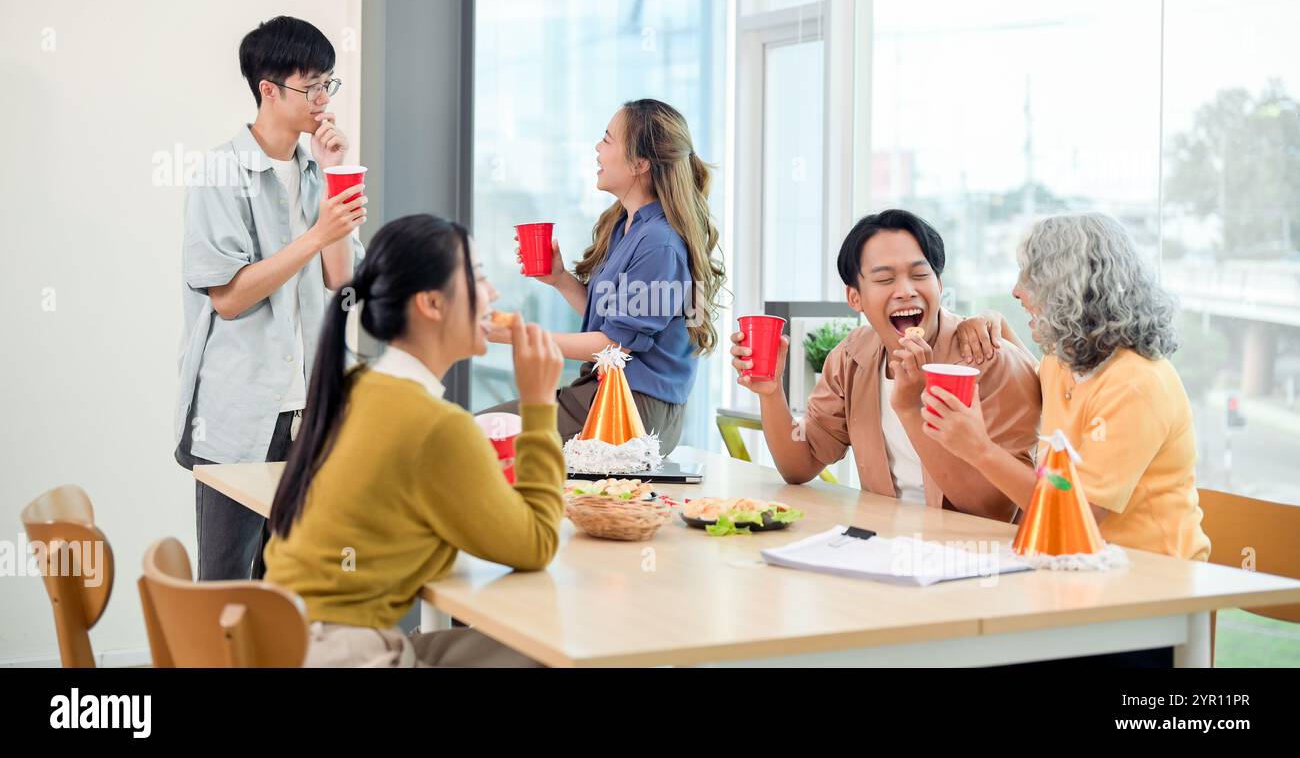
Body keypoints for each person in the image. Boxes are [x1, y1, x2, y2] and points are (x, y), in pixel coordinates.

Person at [264, 215, 566, 667]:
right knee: (553, 655)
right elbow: (538, 543)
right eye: (479, 277)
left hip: (285, 641)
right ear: (431, 303)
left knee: (524, 649)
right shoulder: (437, 426)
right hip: (344, 656)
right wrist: (539, 403)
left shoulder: (355, 387)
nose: (494, 295)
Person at [175, 16, 365, 580]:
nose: (324, 99)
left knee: (289, 583)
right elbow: (228, 297)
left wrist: (334, 176)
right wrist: (315, 236)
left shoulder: (318, 171)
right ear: (269, 90)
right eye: (312, 86)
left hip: (310, 407)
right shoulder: (220, 172)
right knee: (226, 584)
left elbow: (340, 279)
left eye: (329, 83)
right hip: (239, 411)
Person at [921, 213, 1210, 560]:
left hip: (1154, 577)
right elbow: (1029, 371)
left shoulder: (1137, 384)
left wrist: (979, 448)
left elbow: (1077, 513)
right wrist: (989, 321)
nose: (1015, 291)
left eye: (1029, 278)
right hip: (1081, 563)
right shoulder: (1065, 362)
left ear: (1068, 288)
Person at [731, 210, 1042, 522]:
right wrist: (770, 393)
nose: (906, 290)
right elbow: (799, 465)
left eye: (920, 275)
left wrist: (912, 407)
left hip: (974, 558)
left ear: (939, 284)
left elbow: (994, 512)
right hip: (883, 546)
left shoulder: (988, 359)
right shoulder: (850, 358)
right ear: (855, 297)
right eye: (884, 279)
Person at [480, 99, 725, 455]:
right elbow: (617, 326)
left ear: (641, 163)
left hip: (633, 412)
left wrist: (519, 337)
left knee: (474, 440)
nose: (598, 148)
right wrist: (561, 279)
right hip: (606, 394)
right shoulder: (625, 226)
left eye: (608, 140)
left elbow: (615, 345)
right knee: (473, 436)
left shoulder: (659, 243)